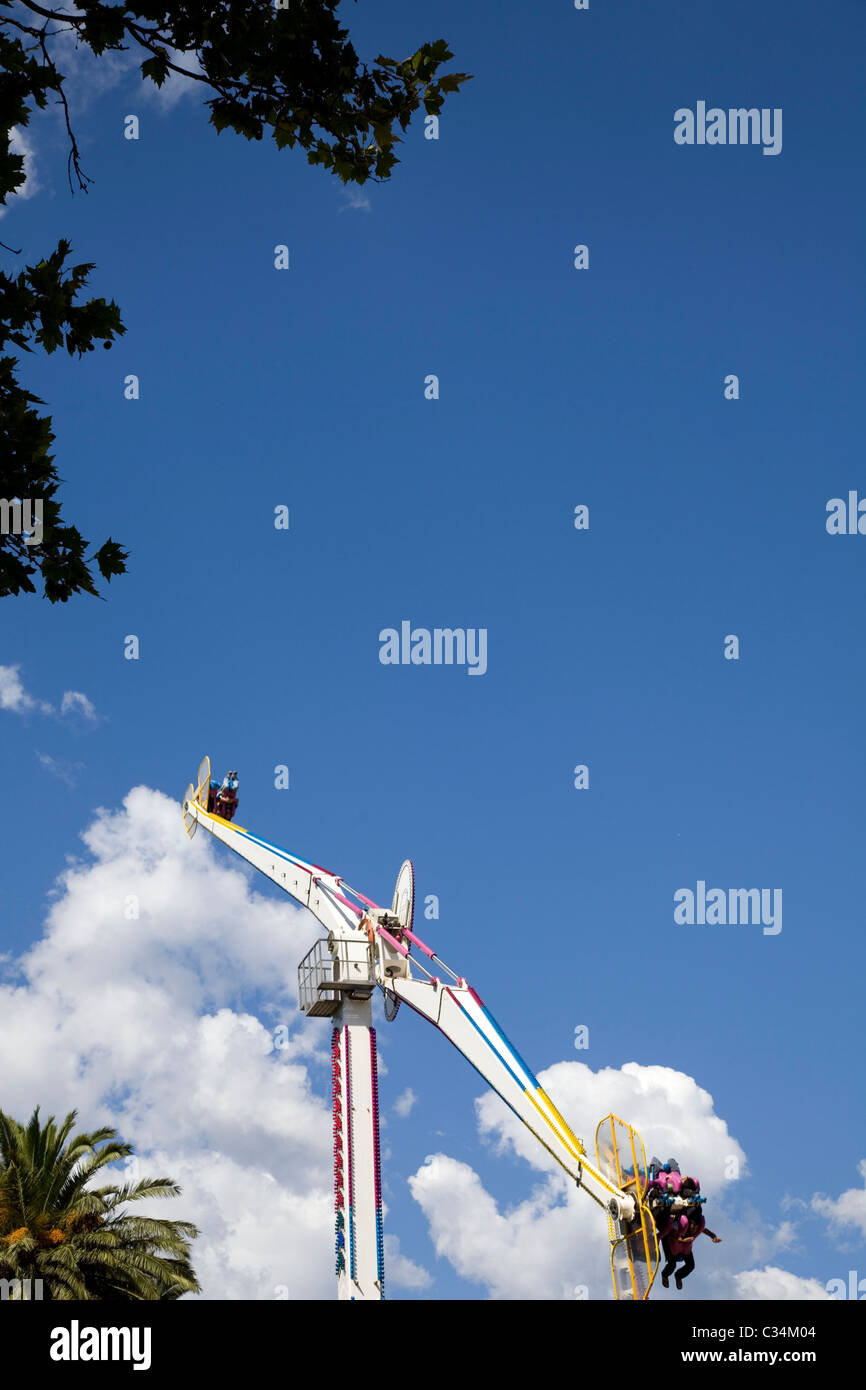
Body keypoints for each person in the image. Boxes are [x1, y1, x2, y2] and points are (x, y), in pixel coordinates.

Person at [660, 1212, 722, 1290]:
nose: (694, 1230)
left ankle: (678, 1276)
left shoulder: (696, 1228)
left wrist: (713, 1237)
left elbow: (705, 1230)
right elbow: (672, 1236)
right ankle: (664, 1275)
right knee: (672, 1265)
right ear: (689, 1225)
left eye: (696, 1228)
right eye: (693, 1228)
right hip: (672, 1245)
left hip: (685, 1249)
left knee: (691, 1265)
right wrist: (683, 1240)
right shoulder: (679, 1226)